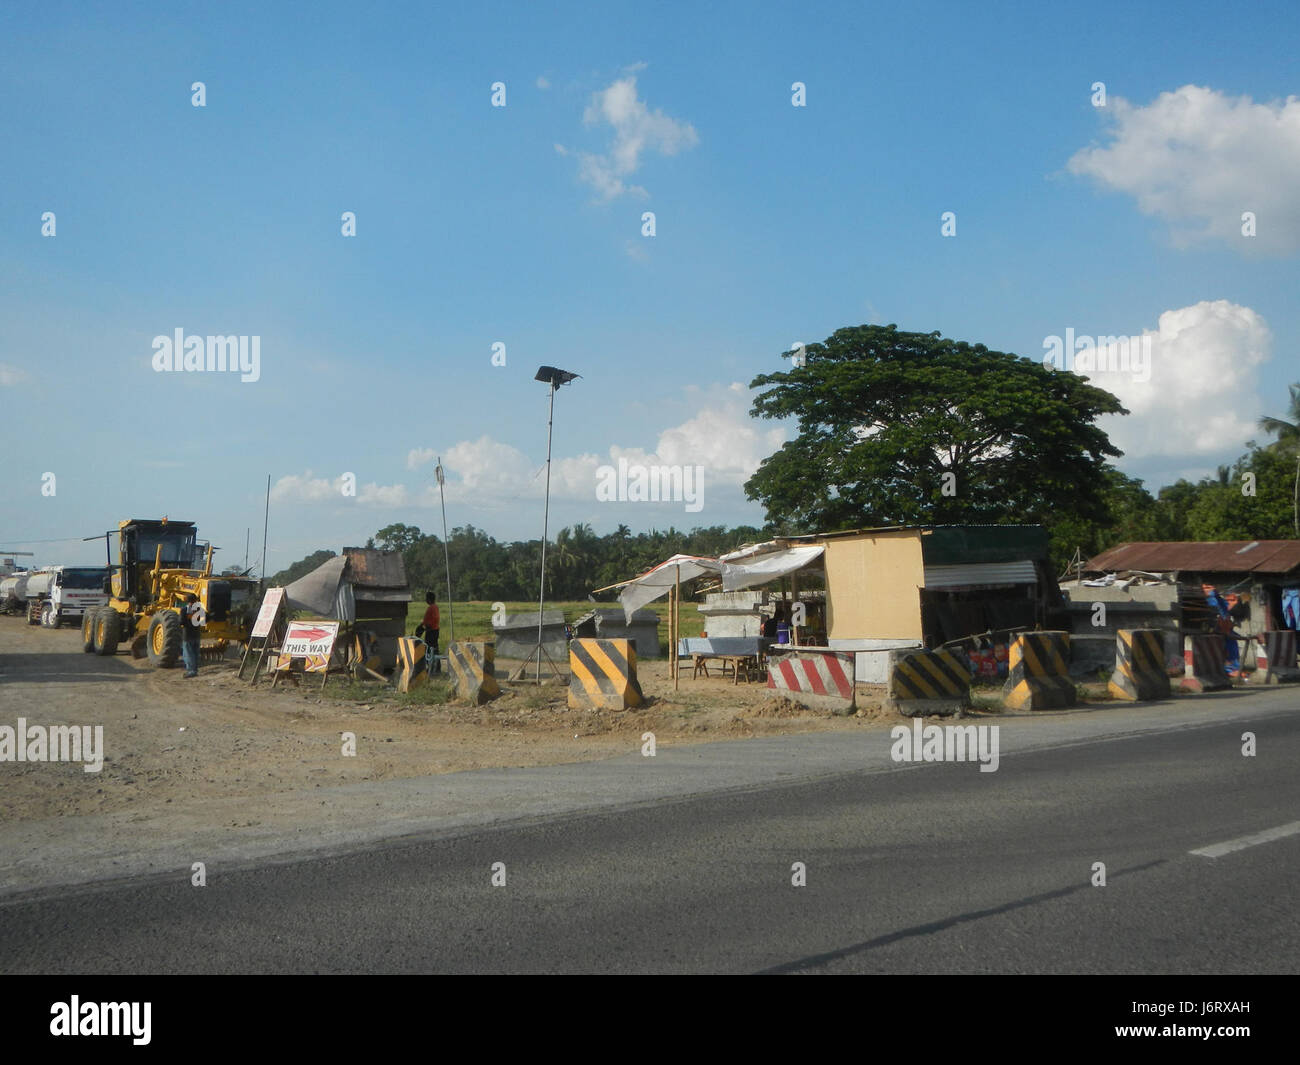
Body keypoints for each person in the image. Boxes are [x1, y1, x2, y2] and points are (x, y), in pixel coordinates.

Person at [415, 591, 440, 674]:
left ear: (429, 599)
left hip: (431, 631)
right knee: (434, 649)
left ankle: (432, 668)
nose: (425, 600)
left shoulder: (431, 608)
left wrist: (423, 627)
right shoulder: (435, 607)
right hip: (434, 630)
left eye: (426, 598)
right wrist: (422, 624)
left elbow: (431, 621)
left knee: (429, 649)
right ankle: (435, 667)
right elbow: (428, 619)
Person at [181, 593, 203, 678]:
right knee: (195, 653)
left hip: (187, 635)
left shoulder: (184, 610)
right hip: (197, 634)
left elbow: (181, 622)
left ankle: (191, 671)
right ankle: (195, 669)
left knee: (188, 654)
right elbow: (205, 620)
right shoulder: (199, 610)